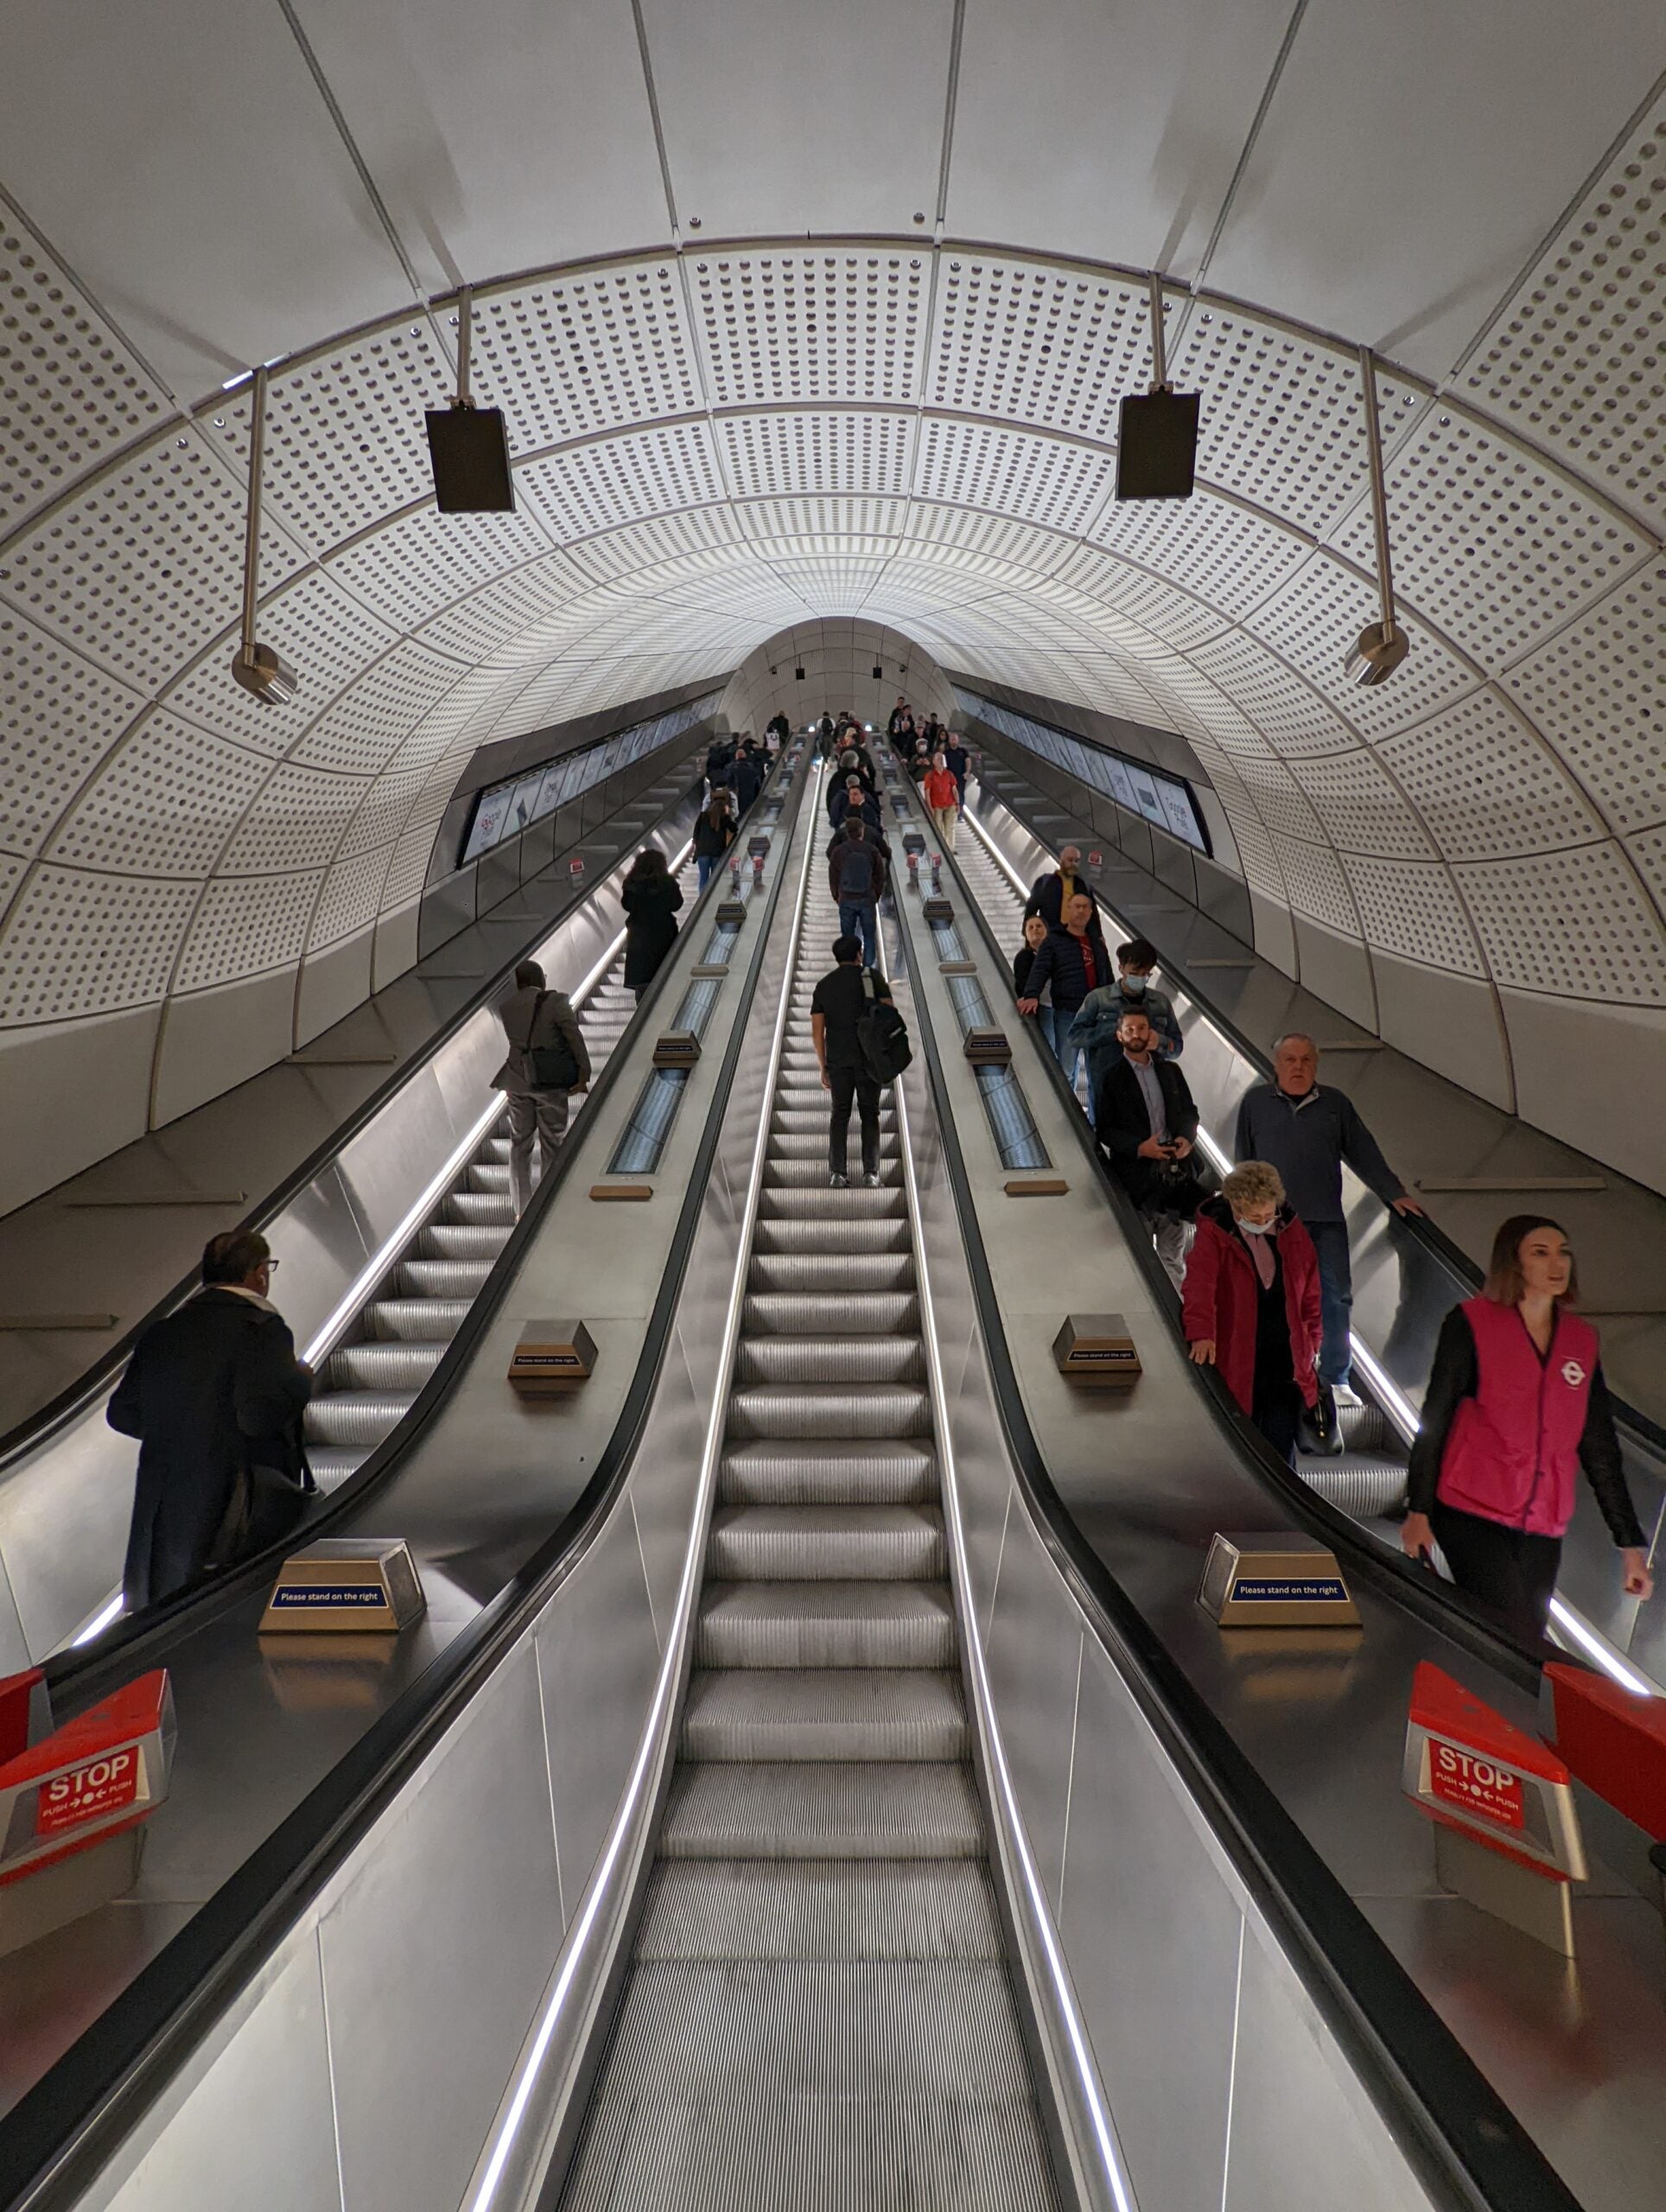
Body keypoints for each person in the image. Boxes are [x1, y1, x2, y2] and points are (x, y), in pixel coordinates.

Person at [1402, 1218, 1653, 1642]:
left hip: (1543, 1525)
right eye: (1541, 1252)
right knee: (1511, 1633)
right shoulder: (1471, 1323)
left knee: (1527, 1639)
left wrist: (1629, 1546)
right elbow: (1436, 1418)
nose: (1557, 1263)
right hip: (1469, 1510)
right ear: (1512, 1262)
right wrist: (1418, 1510)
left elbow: (1599, 1448)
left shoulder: (1580, 1341)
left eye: (1563, 1252)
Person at [1234, 1033, 1423, 1449]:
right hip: (1272, 1224)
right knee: (1272, 1298)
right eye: (1289, 1059)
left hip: (1324, 1222)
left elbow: (1365, 1152)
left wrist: (1393, 1192)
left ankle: (1337, 1378)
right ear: (1276, 1065)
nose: (1297, 1066)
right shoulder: (1255, 1104)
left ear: (1315, 1065)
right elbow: (1242, 1161)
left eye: (1305, 1059)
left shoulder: (1335, 1105)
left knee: (1336, 1298)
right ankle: (1282, 1372)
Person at [109, 1230, 315, 1608]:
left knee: (165, 1611)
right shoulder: (262, 1330)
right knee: (225, 1606)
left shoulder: (163, 1331)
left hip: (163, 1505)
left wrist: (184, 1426)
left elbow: (121, 1413)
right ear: (258, 1274)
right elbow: (258, 1416)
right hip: (232, 1505)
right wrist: (301, 1380)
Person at [1183, 1163, 1322, 1470]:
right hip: (1239, 1356)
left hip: (1287, 1360)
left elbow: (1310, 1291)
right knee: (1243, 1440)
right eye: (1253, 1218)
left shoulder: (1292, 1232)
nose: (1263, 1223)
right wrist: (1201, 1332)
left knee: (1281, 1444)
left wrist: (1313, 1340)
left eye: (1268, 1216)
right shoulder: (1215, 1235)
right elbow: (1199, 1286)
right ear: (1235, 1206)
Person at [1096, 1008, 1202, 1286]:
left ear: (1150, 1033)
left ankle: (1173, 1318)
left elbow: (1190, 1112)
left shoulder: (1170, 1071)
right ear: (1119, 1036)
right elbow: (1105, 1129)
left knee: (1172, 1256)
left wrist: (1186, 1139)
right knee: (1138, 1258)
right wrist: (1140, 1148)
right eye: (1129, 1030)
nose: (1136, 1034)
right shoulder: (1112, 1078)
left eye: (1141, 1028)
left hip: (1174, 1176)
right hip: (1136, 1179)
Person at [492, 958, 591, 1214]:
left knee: (520, 1142)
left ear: (518, 983)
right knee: (552, 1141)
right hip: (548, 1081)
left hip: (516, 1081)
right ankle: (548, 1207)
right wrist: (583, 1071)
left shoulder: (507, 1007)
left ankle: (521, 1209)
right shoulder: (556, 1002)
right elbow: (574, 1037)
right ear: (541, 979)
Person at [811, 933, 892, 1189]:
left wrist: (823, 1066)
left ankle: (838, 1173)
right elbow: (889, 1015)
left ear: (837, 957)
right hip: (869, 1060)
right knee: (870, 1113)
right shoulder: (873, 979)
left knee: (840, 1114)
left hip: (839, 1060)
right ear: (859, 954)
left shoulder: (824, 985)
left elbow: (817, 1032)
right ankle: (871, 1174)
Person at [1067, 936, 1183, 1109]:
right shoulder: (1099, 999)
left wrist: (1160, 1041)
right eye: (1135, 974)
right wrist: (1116, 1031)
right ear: (1121, 968)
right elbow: (1074, 1037)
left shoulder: (1160, 1003)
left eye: (1146, 974)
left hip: (1150, 1087)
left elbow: (1177, 1047)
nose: (1140, 978)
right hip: (1106, 1084)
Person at [1014, 892, 1110, 1101]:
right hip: (1067, 1011)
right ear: (1067, 911)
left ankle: (1093, 1124)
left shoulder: (1097, 944)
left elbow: (1107, 978)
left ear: (1091, 912)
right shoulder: (1055, 941)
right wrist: (1031, 995)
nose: (1082, 911)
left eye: (1086, 907)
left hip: (1095, 1015)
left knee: (1097, 1073)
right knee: (1065, 1068)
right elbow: (1040, 969)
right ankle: (1067, 1117)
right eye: (1077, 906)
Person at [621, 846, 683, 1003]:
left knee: (642, 986)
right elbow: (677, 904)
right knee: (665, 981)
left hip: (639, 939)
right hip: (664, 937)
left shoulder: (631, 884)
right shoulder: (667, 883)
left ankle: (642, 1019)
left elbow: (627, 905)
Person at [830, 817, 886, 969]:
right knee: (869, 936)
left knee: (848, 936)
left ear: (847, 833)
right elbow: (880, 875)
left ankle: (850, 966)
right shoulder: (871, 850)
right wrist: (876, 895)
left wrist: (837, 896)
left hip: (846, 899)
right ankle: (868, 968)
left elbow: (833, 876)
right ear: (862, 831)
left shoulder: (839, 851)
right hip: (867, 898)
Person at [1023, 843, 1097, 931]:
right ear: (1061, 861)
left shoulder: (1083, 886)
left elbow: (1093, 915)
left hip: (1074, 937)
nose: (1073, 864)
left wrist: (1097, 937)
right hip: (1051, 936)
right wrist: (1028, 933)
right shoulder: (1046, 882)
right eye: (1070, 860)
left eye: (1076, 861)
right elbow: (1031, 909)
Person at [1013, 916, 1058, 1053]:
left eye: (1039, 926)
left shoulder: (1058, 953)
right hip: (1043, 1008)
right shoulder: (1023, 957)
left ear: (1047, 930)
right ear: (1025, 934)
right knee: (1048, 1048)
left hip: (1062, 1006)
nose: (1035, 930)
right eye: (1030, 928)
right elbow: (1021, 983)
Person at [692, 795, 737, 891]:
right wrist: (729, 813)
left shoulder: (703, 816)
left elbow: (696, 834)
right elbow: (735, 829)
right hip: (717, 852)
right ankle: (710, 900)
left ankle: (702, 902)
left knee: (703, 879)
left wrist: (697, 846)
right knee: (714, 880)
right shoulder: (724, 818)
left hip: (702, 852)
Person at [923, 750, 960, 850]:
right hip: (937, 806)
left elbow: (954, 790)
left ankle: (950, 849)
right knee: (939, 829)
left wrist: (957, 803)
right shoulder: (930, 775)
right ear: (934, 762)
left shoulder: (949, 774)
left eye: (941, 759)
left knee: (950, 828)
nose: (940, 761)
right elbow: (927, 793)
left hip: (950, 804)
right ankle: (942, 849)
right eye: (938, 759)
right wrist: (929, 807)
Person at [729, 740, 763, 814]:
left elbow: (728, 782)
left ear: (736, 757)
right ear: (745, 756)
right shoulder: (751, 767)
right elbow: (758, 784)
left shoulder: (731, 767)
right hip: (750, 795)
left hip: (738, 797)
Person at [943, 731, 970, 807]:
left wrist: (967, 772)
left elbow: (968, 761)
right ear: (949, 741)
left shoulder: (963, 751)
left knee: (960, 794)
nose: (954, 741)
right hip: (950, 778)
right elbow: (944, 765)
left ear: (958, 740)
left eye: (955, 739)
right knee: (950, 794)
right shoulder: (946, 752)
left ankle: (960, 813)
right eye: (952, 739)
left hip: (961, 777)